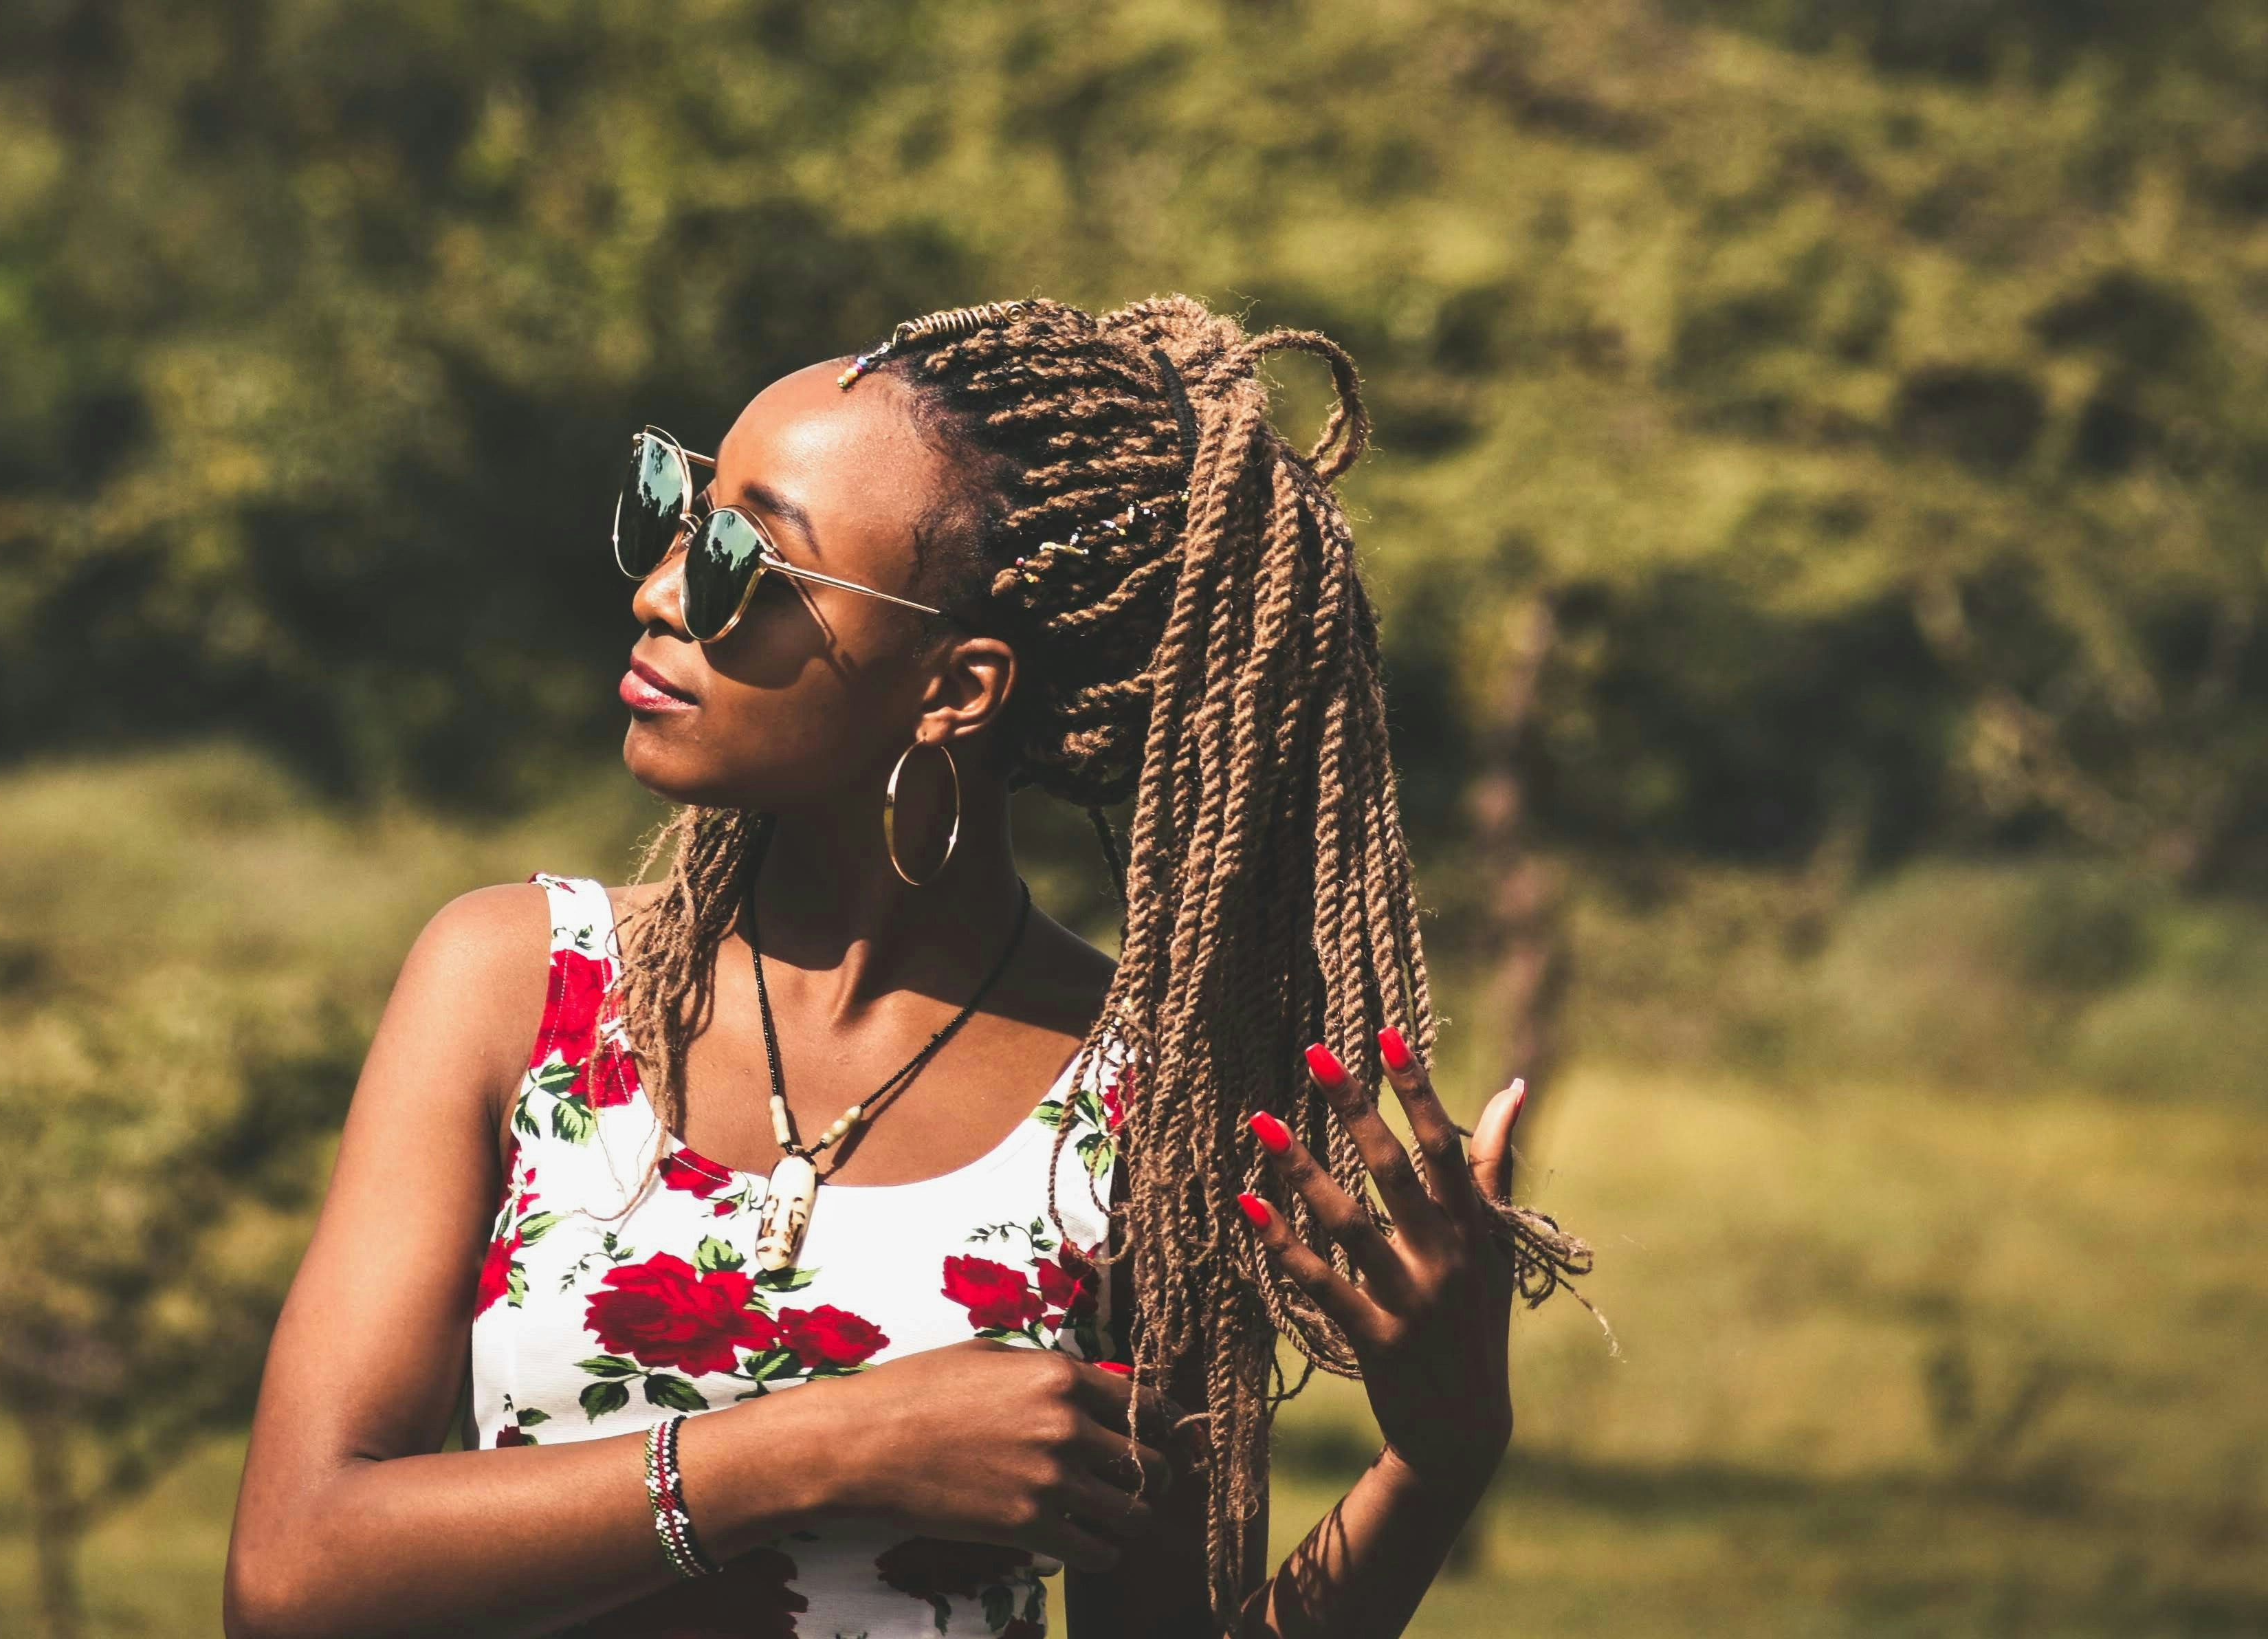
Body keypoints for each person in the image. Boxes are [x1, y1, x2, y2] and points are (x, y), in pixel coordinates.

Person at [222, 295, 1589, 1638]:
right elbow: (290, 1575)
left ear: (954, 690)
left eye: (748, 566)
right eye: (681, 514)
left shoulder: (1142, 1116)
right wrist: (812, 1450)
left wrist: (1434, 1463)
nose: (656, 593)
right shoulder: (515, 984)